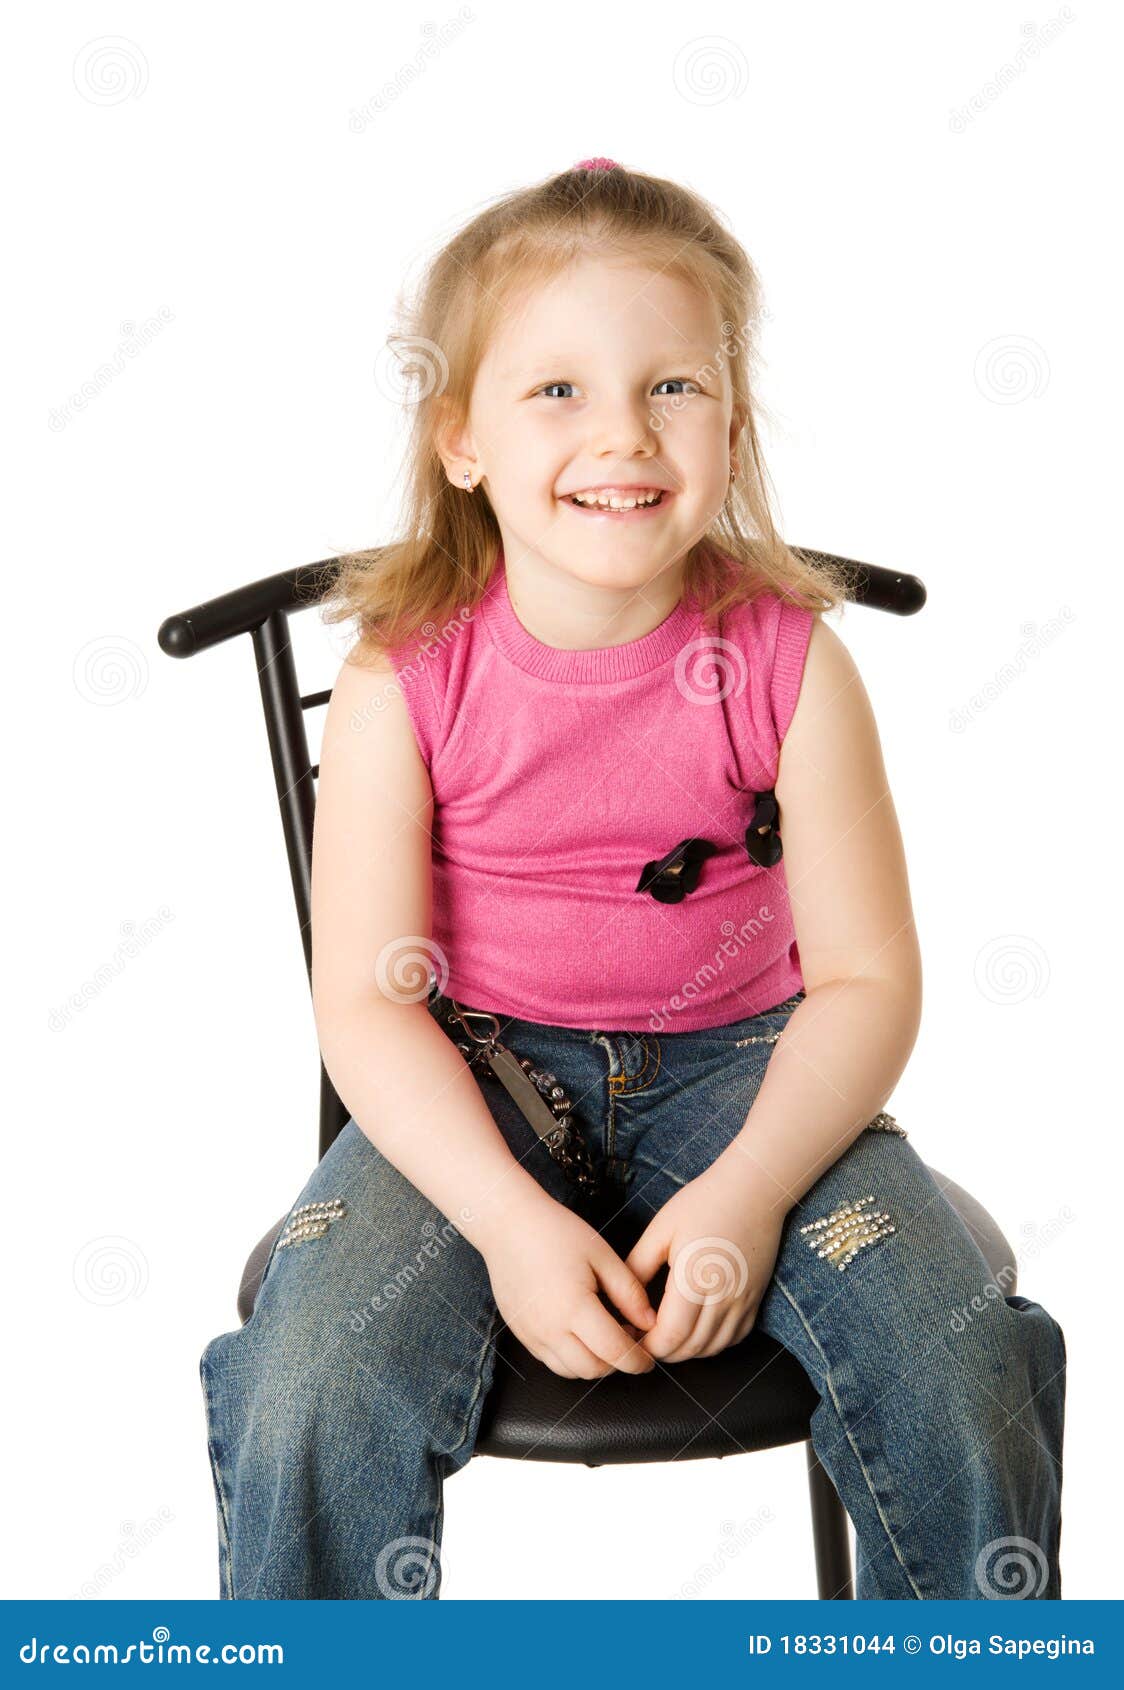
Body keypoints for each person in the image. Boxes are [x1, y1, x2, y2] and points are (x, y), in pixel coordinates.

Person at [199, 158, 1066, 1601]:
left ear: (731, 421)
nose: (624, 433)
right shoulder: (401, 677)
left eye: (674, 385)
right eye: (556, 391)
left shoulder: (790, 661)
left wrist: (751, 1188)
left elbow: (866, 979)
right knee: (309, 1382)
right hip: (470, 1083)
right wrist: (510, 1221)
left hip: (754, 1075)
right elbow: (365, 1005)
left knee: (958, 1357)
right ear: (459, 436)